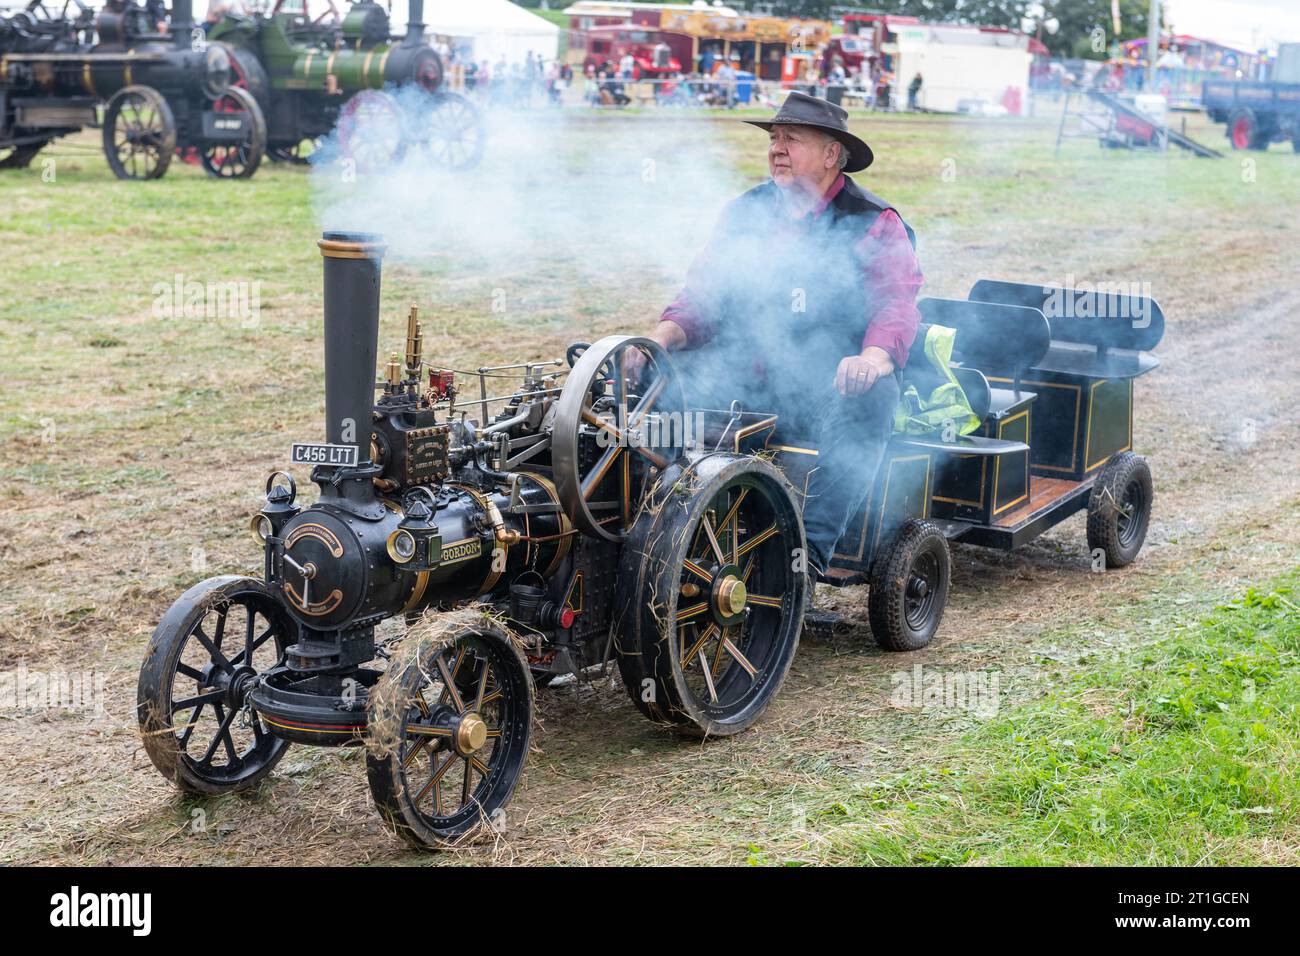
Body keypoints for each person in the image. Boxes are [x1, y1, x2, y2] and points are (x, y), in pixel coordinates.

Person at [631, 93, 922, 578]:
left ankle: (801, 566)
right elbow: (703, 296)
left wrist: (871, 359)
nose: (776, 149)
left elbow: (896, 304)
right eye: (773, 138)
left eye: (792, 139)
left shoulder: (874, 221)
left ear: (833, 154)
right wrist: (659, 339)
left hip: (826, 383)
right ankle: (651, 532)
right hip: (745, 374)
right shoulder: (746, 212)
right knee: (653, 383)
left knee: (872, 399)